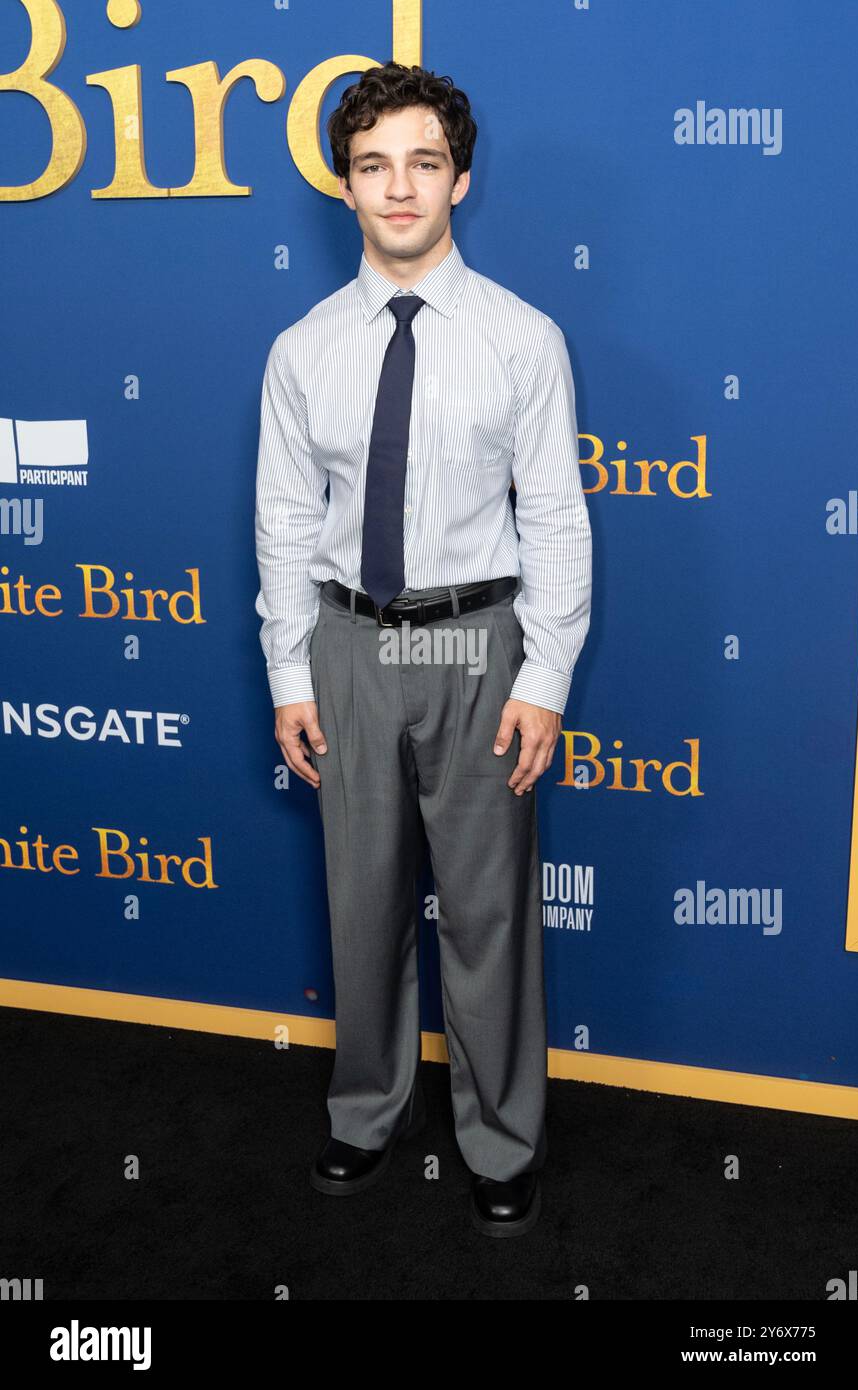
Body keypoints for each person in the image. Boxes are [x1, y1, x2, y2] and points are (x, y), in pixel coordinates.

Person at [254, 61, 591, 1237]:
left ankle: (500, 1136)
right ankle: (365, 1112)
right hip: (347, 643)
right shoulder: (303, 349)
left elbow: (553, 516)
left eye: (422, 163)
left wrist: (542, 679)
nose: (398, 188)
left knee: (490, 909)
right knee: (361, 903)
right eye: (372, 166)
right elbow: (286, 524)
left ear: (461, 178)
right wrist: (290, 676)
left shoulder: (521, 338)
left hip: (478, 644)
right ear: (344, 187)